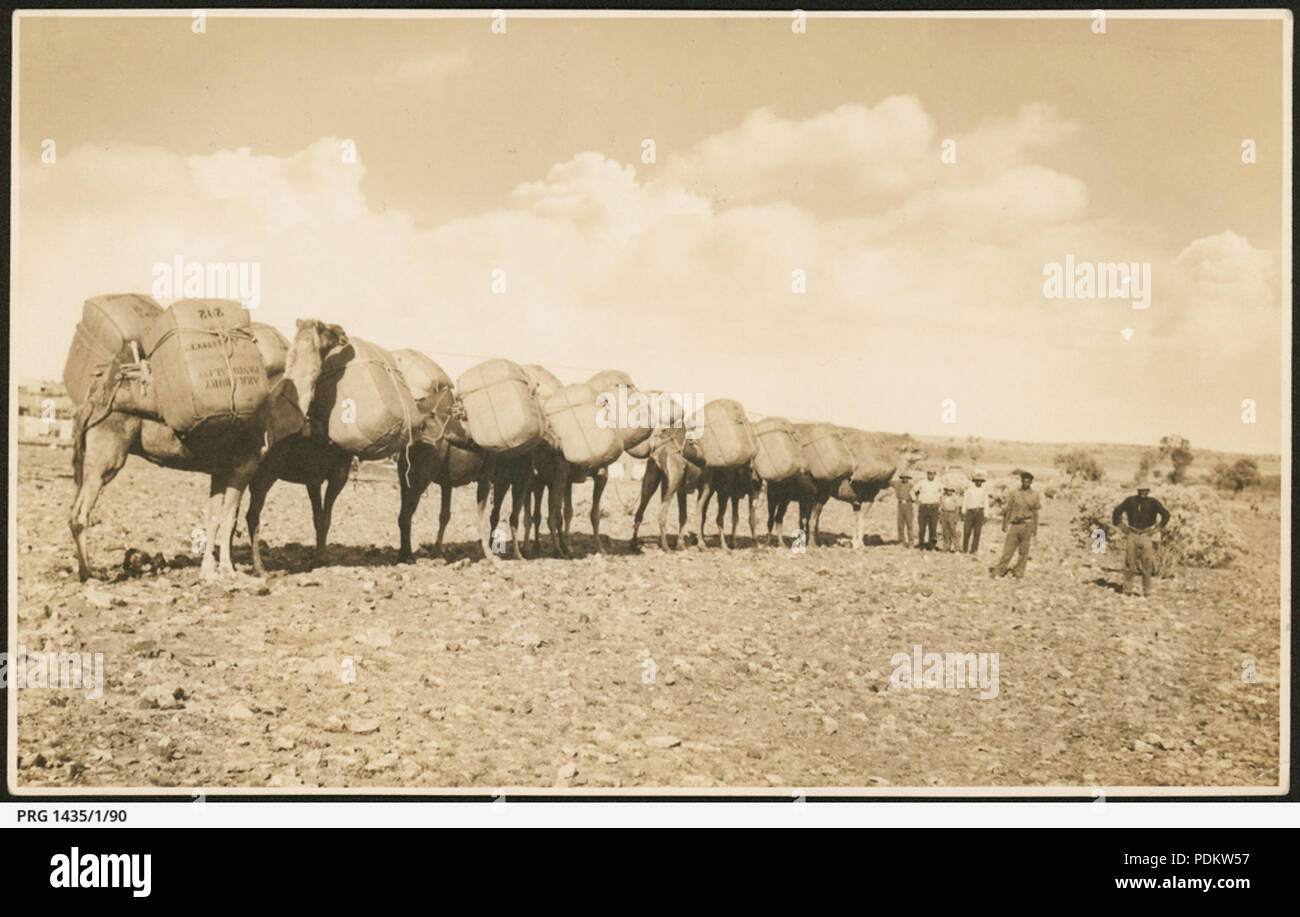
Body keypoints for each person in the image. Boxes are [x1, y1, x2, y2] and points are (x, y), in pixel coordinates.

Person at [1112, 486, 1171, 596]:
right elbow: (1116, 512)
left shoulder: (1153, 502)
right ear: (1137, 490)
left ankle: (1147, 591)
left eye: (1145, 490)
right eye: (1141, 490)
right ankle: (1127, 590)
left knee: (1147, 563)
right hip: (1132, 534)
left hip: (1146, 535)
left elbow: (1166, 514)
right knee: (1130, 563)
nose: (1143, 492)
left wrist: (1156, 529)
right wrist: (1122, 527)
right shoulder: (1130, 500)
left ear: (1148, 491)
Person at [991, 471, 1039, 579]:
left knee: (1024, 551)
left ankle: (1019, 572)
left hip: (1027, 525)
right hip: (1015, 525)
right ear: (1021, 481)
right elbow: (1009, 509)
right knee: (1008, 550)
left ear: (1031, 482)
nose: (1026, 483)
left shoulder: (1035, 495)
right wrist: (1005, 523)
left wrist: (1035, 528)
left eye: (1028, 481)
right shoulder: (1014, 494)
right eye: (1024, 480)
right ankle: (999, 571)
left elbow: (1036, 512)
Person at [912, 468, 943, 550]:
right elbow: (912, 491)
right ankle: (921, 544)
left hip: (934, 507)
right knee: (922, 527)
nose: (931, 475)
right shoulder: (922, 483)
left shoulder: (938, 484)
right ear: (927, 474)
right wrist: (915, 500)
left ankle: (931, 546)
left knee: (933, 527)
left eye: (932, 474)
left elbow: (943, 493)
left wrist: (940, 502)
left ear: (935, 475)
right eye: (929, 473)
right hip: (923, 507)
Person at [962, 470, 988, 553]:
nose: (979, 483)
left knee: (977, 532)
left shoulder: (984, 491)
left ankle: (974, 549)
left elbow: (986, 503)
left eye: (980, 481)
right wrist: (963, 511)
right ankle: (965, 549)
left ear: (982, 482)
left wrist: (986, 515)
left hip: (979, 512)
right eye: (977, 481)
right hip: (970, 511)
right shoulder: (969, 490)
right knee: (967, 531)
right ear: (974, 482)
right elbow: (965, 501)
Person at [892, 471, 915, 546]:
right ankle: (901, 541)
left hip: (908, 504)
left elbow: (916, 494)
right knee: (900, 524)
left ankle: (911, 542)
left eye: (906, 478)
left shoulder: (911, 486)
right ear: (901, 478)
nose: (905, 479)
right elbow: (889, 482)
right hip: (900, 504)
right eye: (903, 478)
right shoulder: (898, 484)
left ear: (908, 479)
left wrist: (914, 500)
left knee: (909, 524)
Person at [939, 486, 962, 552]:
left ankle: (957, 547)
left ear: (952, 491)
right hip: (944, 514)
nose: (949, 492)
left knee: (953, 531)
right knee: (945, 531)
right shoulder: (943, 497)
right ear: (946, 491)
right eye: (948, 490)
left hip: (952, 514)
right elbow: (941, 506)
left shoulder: (955, 498)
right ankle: (946, 547)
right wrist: (941, 516)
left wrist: (956, 517)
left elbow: (957, 508)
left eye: (951, 491)